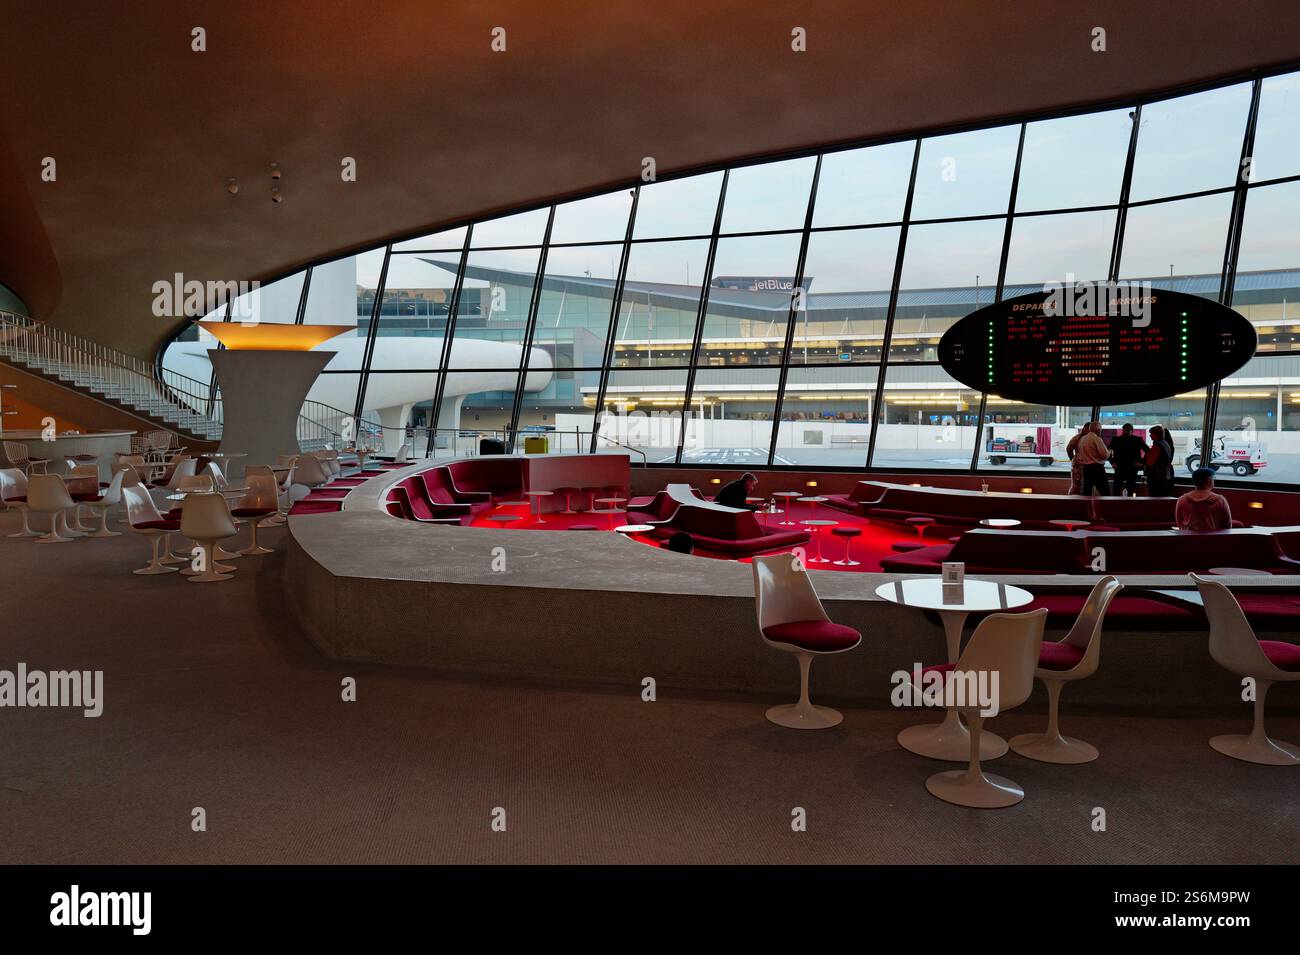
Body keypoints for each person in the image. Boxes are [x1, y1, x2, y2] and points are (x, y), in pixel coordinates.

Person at [1108, 422, 1148, 497]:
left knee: (1128, 489)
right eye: (1124, 430)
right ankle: (1117, 505)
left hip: (1129, 468)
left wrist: (1141, 462)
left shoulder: (1117, 440)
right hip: (1123, 467)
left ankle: (1118, 505)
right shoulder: (1136, 440)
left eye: (1127, 430)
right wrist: (1112, 462)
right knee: (1118, 489)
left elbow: (1148, 452)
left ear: (1132, 431)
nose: (1125, 432)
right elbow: (1108, 452)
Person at [1074, 421, 1111, 496]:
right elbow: (1104, 455)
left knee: (1086, 492)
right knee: (1105, 491)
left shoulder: (1082, 439)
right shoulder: (1097, 439)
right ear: (1098, 430)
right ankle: (1105, 507)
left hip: (1086, 468)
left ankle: (1086, 507)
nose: (1101, 432)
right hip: (1097, 469)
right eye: (1101, 430)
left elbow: (1079, 453)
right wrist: (1110, 451)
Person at [1145, 425, 1176, 497]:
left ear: (1156, 434)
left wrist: (1142, 464)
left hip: (1156, 476)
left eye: (1151, 433)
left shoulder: (1157, 446)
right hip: (1164, 475)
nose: (1150, 435)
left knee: (1154, 497)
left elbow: (1150, 463)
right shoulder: (1165, 443)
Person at [1065, 423, 1088, 495]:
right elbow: (1069, 448)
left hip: (1077, 463)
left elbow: (1069, 448)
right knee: (1082, 485)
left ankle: (1071, 500)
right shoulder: (1091, 439)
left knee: (1075, 484)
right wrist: (1072, 458)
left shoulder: (1077, 438)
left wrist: (1072, 458)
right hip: (1084, 464)